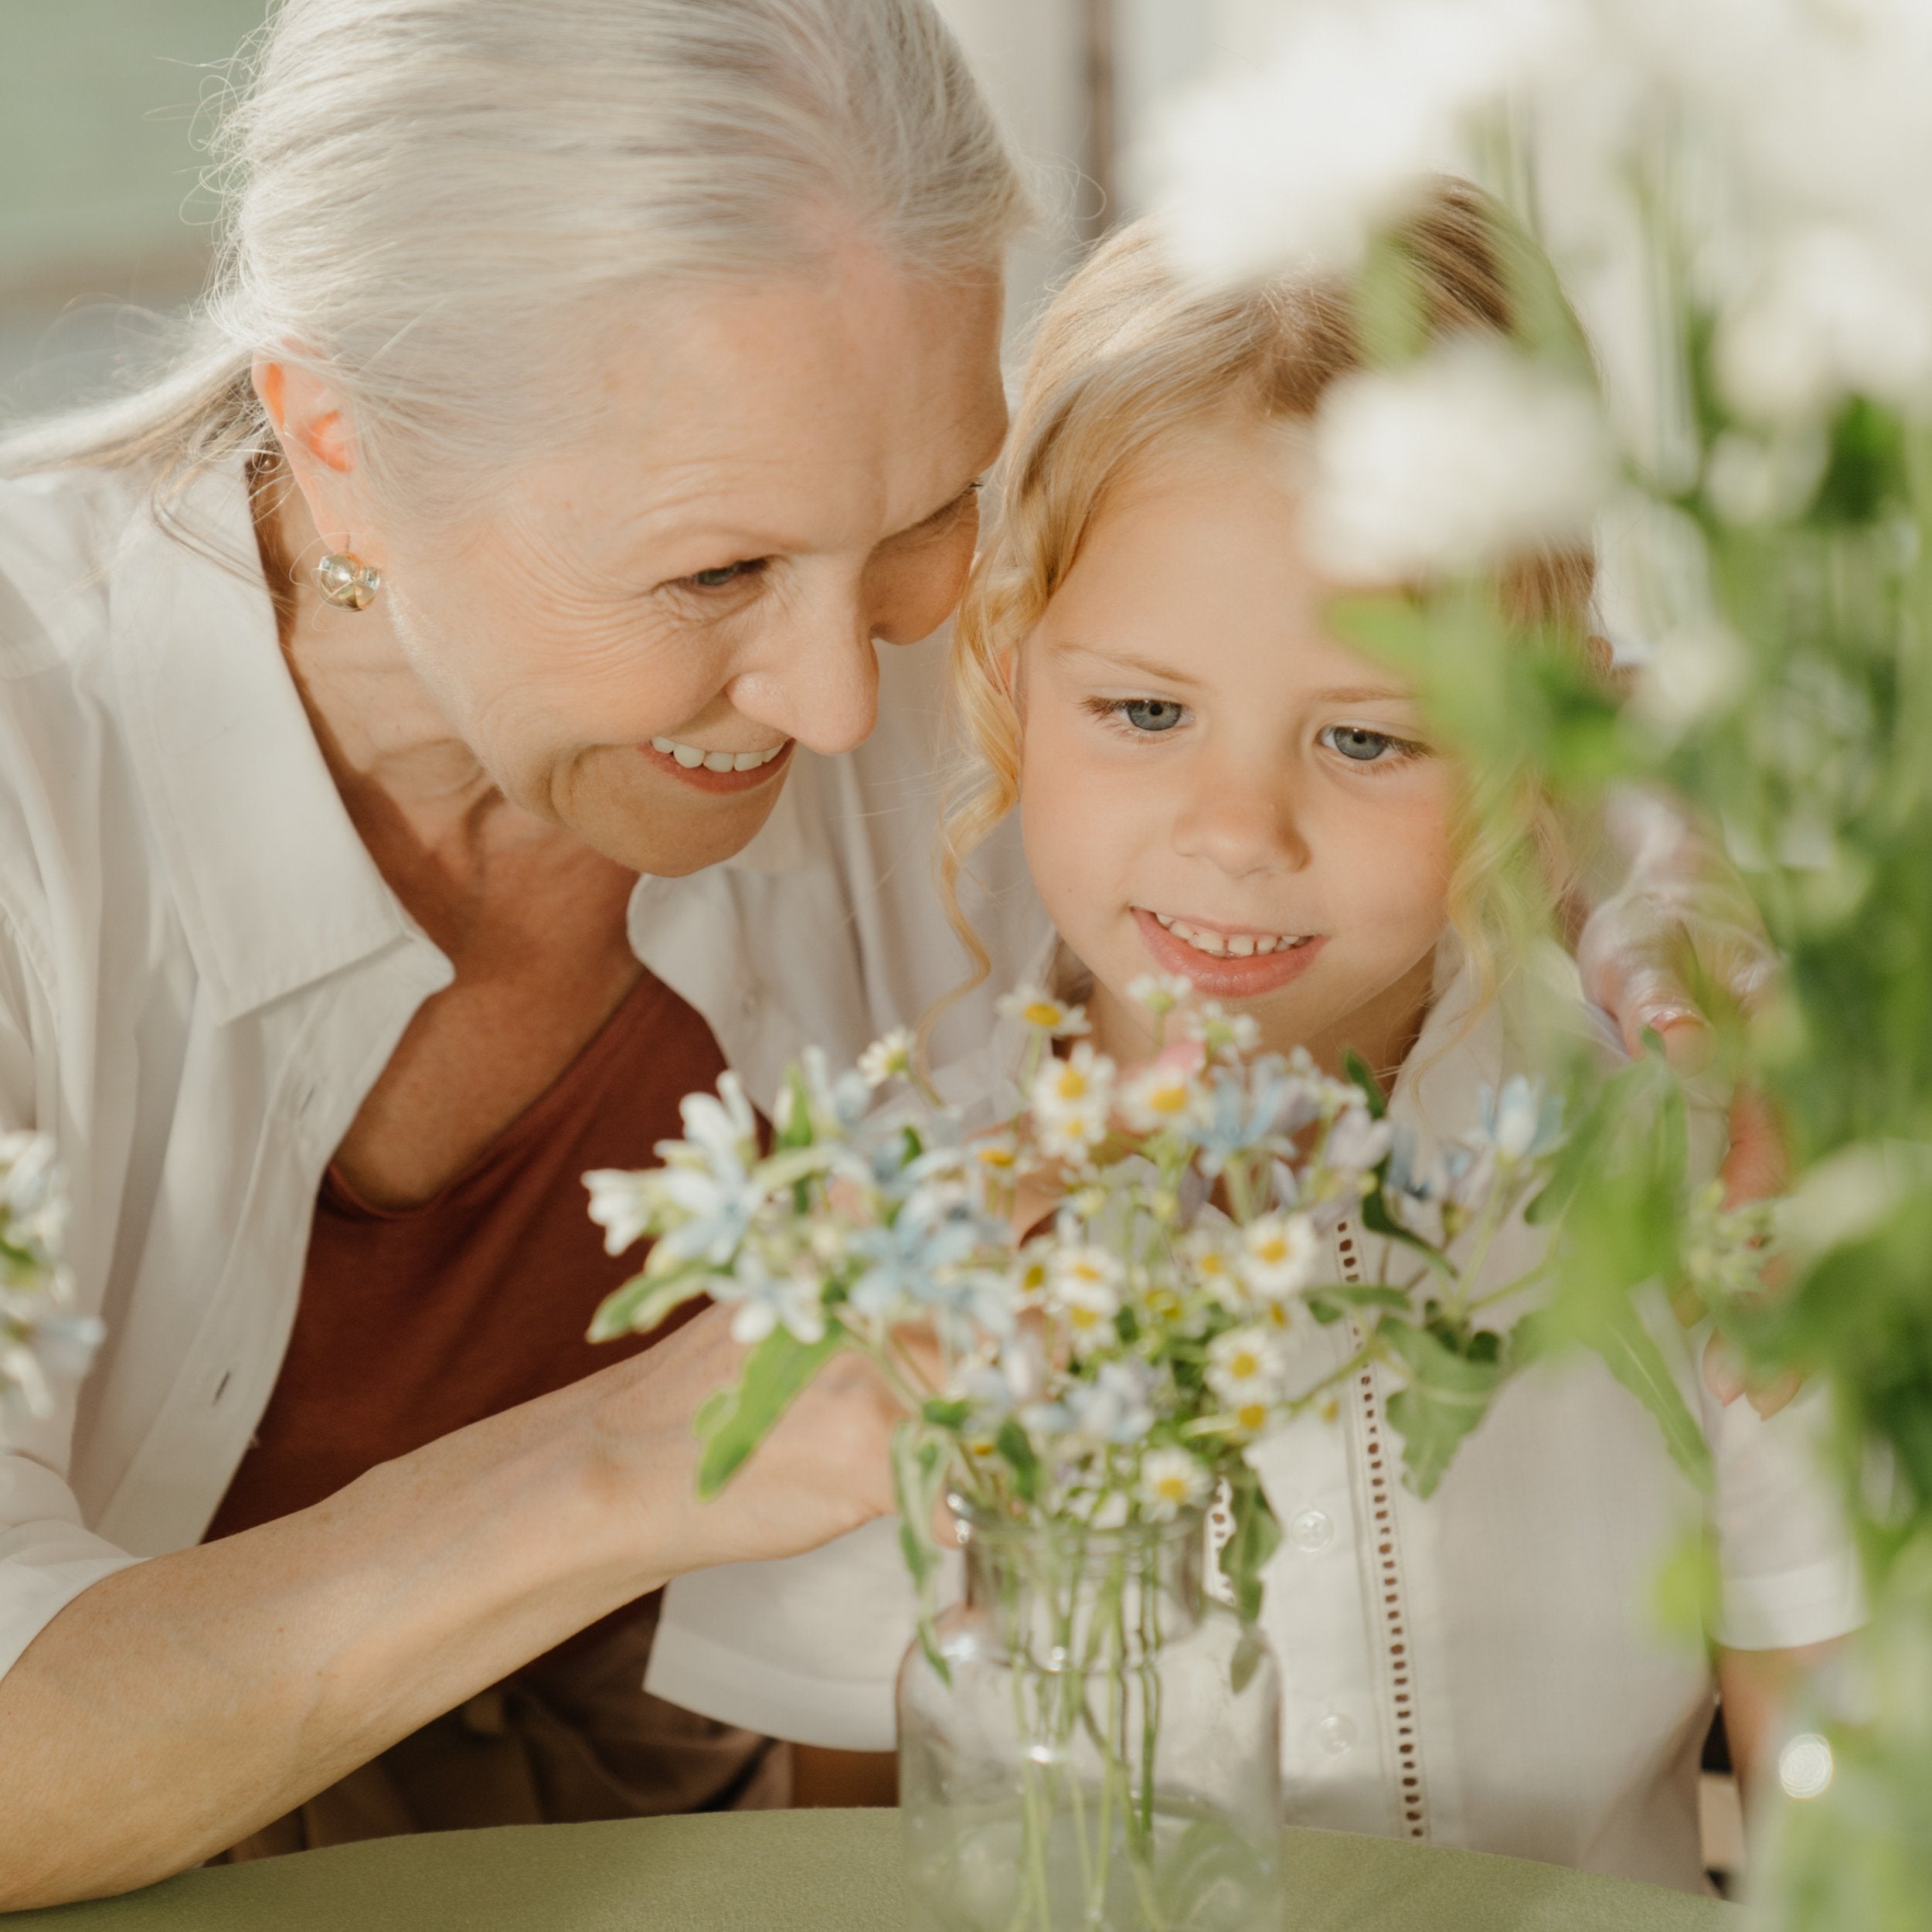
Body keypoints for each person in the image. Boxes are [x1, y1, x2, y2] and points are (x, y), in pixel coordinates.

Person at [0, 2, 1773, 1906]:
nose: (851, 701)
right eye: (713, 576)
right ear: (334, 439)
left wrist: (1685, 871)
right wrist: (649, 1451)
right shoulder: (42, 772)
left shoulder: (958, 613)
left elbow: (1457, 678)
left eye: (934, 510)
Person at [641, 183, 1862, 1894]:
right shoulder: (898, 1232)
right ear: (1008, 668)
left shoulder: (1688, 1160)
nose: (1235, 829)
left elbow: (1828, 1746)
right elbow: (858, 1834)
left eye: (1365, 739)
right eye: (1142, 711)